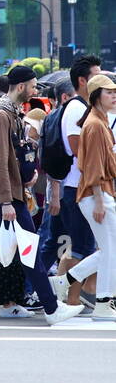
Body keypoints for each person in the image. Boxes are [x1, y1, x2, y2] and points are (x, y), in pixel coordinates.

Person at [0, 66, 83, 326]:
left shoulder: (8, 113)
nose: (34, 91)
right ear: (21, 86)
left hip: (10, 194)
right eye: (32, 86)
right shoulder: (2, 115)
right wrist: (7, 200)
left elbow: (8, 158)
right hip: (6, 197)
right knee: (27, 250)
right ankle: (52, 308)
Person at [51, 54, 104, 309]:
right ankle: (66, 295)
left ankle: (74, 295)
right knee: (82, 247)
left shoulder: (85, 106)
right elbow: (77, 147)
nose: (102, 80)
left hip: (80, 186)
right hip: (77, 187)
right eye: (96, 75)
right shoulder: (76, 107)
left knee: (85, 245)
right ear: (83, 81)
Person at [69, 73, 116, 321]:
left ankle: (68, 279)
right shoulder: (96, 124)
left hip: (98, 192)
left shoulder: (99, 121)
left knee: (111, 248)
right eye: (109, 92)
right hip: (97, 193)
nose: (114, 96)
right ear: (97, 95)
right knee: (111, 249)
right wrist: (99, 199)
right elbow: (94, 166)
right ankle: (103, 301)